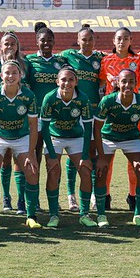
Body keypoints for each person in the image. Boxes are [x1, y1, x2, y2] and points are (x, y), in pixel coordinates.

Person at [93, 69, 140, 227]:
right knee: (101, 171)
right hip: (109, 138)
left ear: (136, 83)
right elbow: (97, 128)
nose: (127, 85)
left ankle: (138, 214)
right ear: (117, 83)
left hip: (131, 139)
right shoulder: (108, 100)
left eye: (131, 81)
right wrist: (100, 156)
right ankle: (101, 215)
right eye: (124, 81)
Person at [0, 60, 40, 229]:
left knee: (31, 170)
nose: (10, 76)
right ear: (1, 76)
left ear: (20, 75)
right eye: (7, 73)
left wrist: (31, 153)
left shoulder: (29, 96)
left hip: (21, 136)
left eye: (14, 73)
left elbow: (33, 127)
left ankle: (31, 216)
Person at [40, 66, 95, 227]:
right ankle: (53, 215)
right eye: (63, 79)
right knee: (53, 170)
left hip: (75, 137)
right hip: (54, 137)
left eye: (71, 79)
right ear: (57, 81)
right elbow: (44, 128)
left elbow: (88, 128)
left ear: (76, 82)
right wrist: (50, 154)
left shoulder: (83, 99)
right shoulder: (50, 98)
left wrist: (85, 156)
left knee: (85, 170)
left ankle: (84, 214)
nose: (67, 83)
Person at [58, 24, 104, 213]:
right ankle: (71, 196)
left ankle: (92, 195)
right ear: (78, 41)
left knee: (91, 154)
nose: (87, 42)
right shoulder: (68, 56)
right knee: (72, 154)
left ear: (95, 41)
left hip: (92, 113)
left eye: (90, 39)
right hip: (72, 112)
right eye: (83, 39)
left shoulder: (100, 58)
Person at [100, 27, 140, 210]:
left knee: (132, 159)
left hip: (132, 112)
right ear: (113, 40)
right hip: (110, 114)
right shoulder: (105, 60)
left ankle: (132, 196)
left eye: (126, 38)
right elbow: (100, 82)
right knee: (106, 160)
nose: (122, 42)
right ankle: (106, 196)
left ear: (131, 40)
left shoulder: (137, 60)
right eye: (119, 38)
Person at [25, 22, 66, 214]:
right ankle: (34, 202)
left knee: (53, 159)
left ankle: (53, 200)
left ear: (54, 42)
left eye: (50, 40)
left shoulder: (61, 62)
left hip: (56, 119)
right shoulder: (30, 61)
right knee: (35, 159)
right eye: (43, 40)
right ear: (37, 42)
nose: (47, 43)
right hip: (36, 117)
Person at [0, 31, 31, 213]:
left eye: (12, 44)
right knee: (4, 160)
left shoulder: (26, 65)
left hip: (21, 118)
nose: (9, 47)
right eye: (6, 44)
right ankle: (6, 198)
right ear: (1, 46)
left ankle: (22, 200)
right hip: (1, 120)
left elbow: (30, 87)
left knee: (20, 161)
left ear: (17, 47)